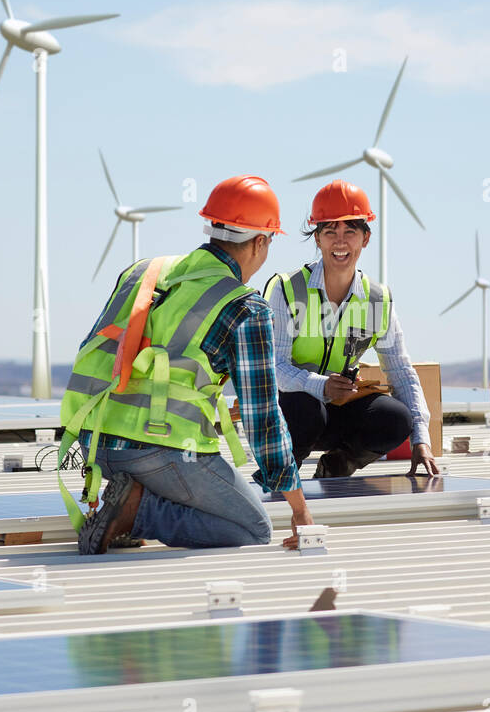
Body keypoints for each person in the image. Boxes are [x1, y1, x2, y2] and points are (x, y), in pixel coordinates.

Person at [58, 175, 316, 552]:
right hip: (159, 451)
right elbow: (263, 418)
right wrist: (299, 508)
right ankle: (136, 510)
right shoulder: (245, 307)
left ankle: (126, 505)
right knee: (252, 530)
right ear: (260, 242)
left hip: (94, 447)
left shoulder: (142, 272)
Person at [264, 180, 439, 478]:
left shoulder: (377, 299)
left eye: (350, 231)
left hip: (337, 409)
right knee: (306, 409)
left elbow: (400, 370)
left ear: (365, 238)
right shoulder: (286, 289)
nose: (340, 242)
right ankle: (281, 473)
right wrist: (320, 385)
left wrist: (421, 439)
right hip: (287, 413)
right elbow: (274, 368)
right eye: (330, 231)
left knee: (396, 418)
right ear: (317, 239)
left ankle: (337, 466)